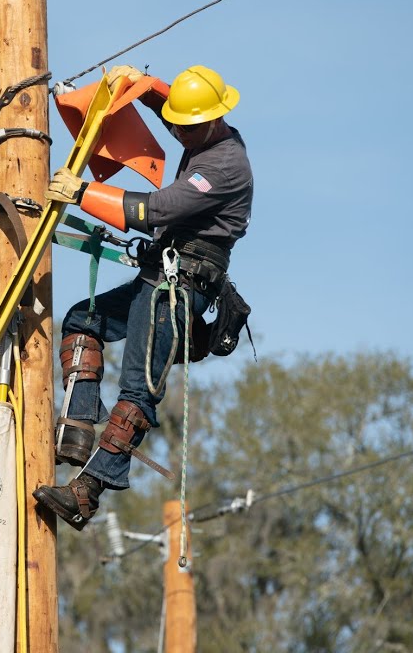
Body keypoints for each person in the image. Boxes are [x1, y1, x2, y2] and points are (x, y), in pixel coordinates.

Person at [32, 64, 253, 529]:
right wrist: (146, 86)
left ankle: (86, 493)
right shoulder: (204, 132)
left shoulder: (225, 163)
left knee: (138, 389)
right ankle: (76, 427)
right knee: (82, 321)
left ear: (214, 119)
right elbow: (176, 112)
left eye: (187, 125)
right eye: (178, 122)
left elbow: (157, 210)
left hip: (178, 288)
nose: (178, 131)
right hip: (158, 277)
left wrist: (83, 193)